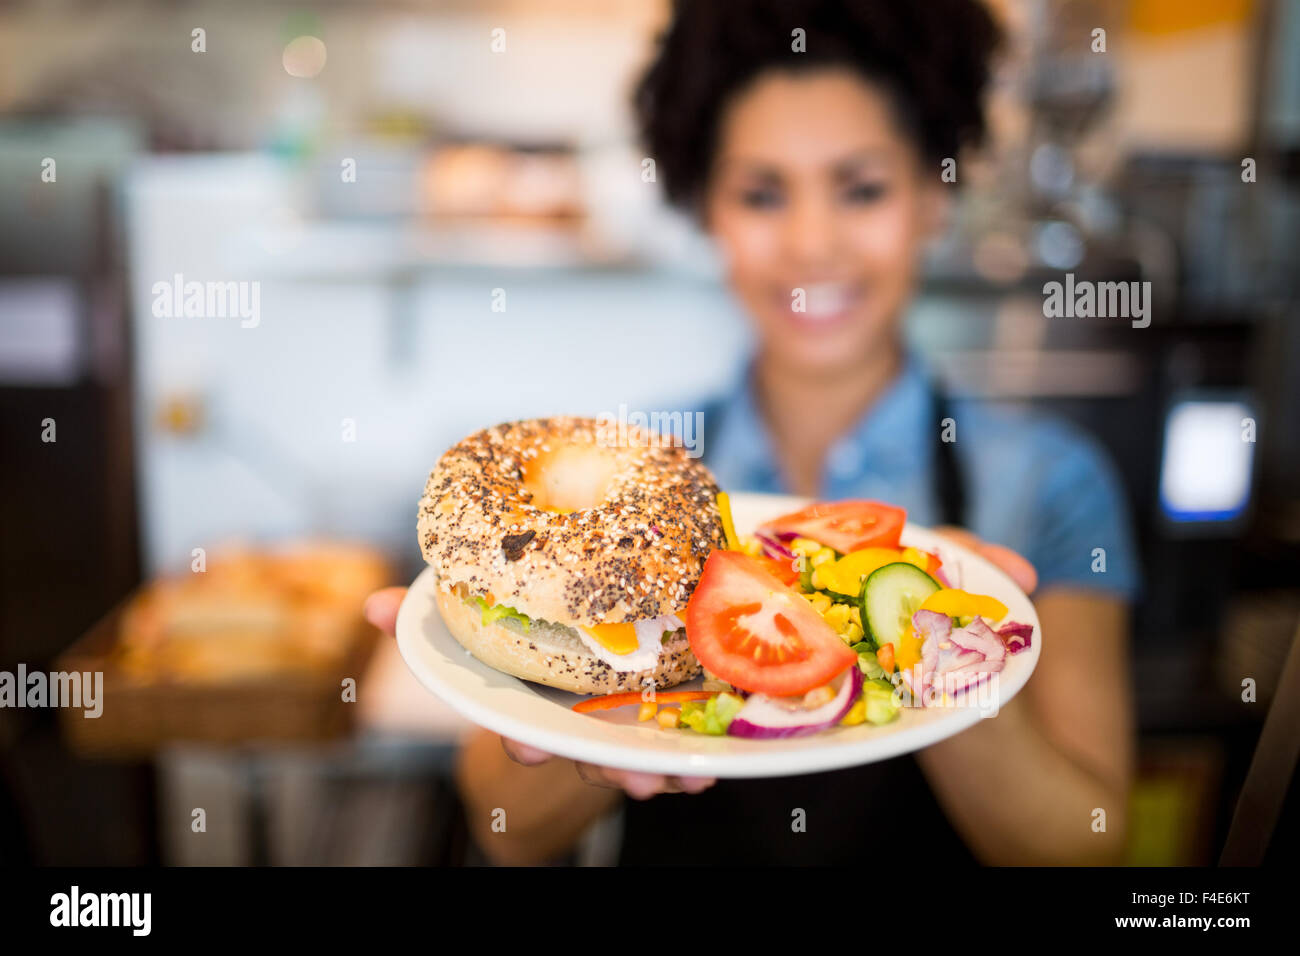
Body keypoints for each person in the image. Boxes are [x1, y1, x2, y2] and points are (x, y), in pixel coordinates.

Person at [365, 0, 1140, 865]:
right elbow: (507, 833)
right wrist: (597, 729)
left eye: (863, 188)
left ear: (934, 197)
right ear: (709, 213)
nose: (812, 243)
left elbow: (1090, 847)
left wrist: (934, 652)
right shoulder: (646, 462)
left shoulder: (1049, 484)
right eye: (762, 193)